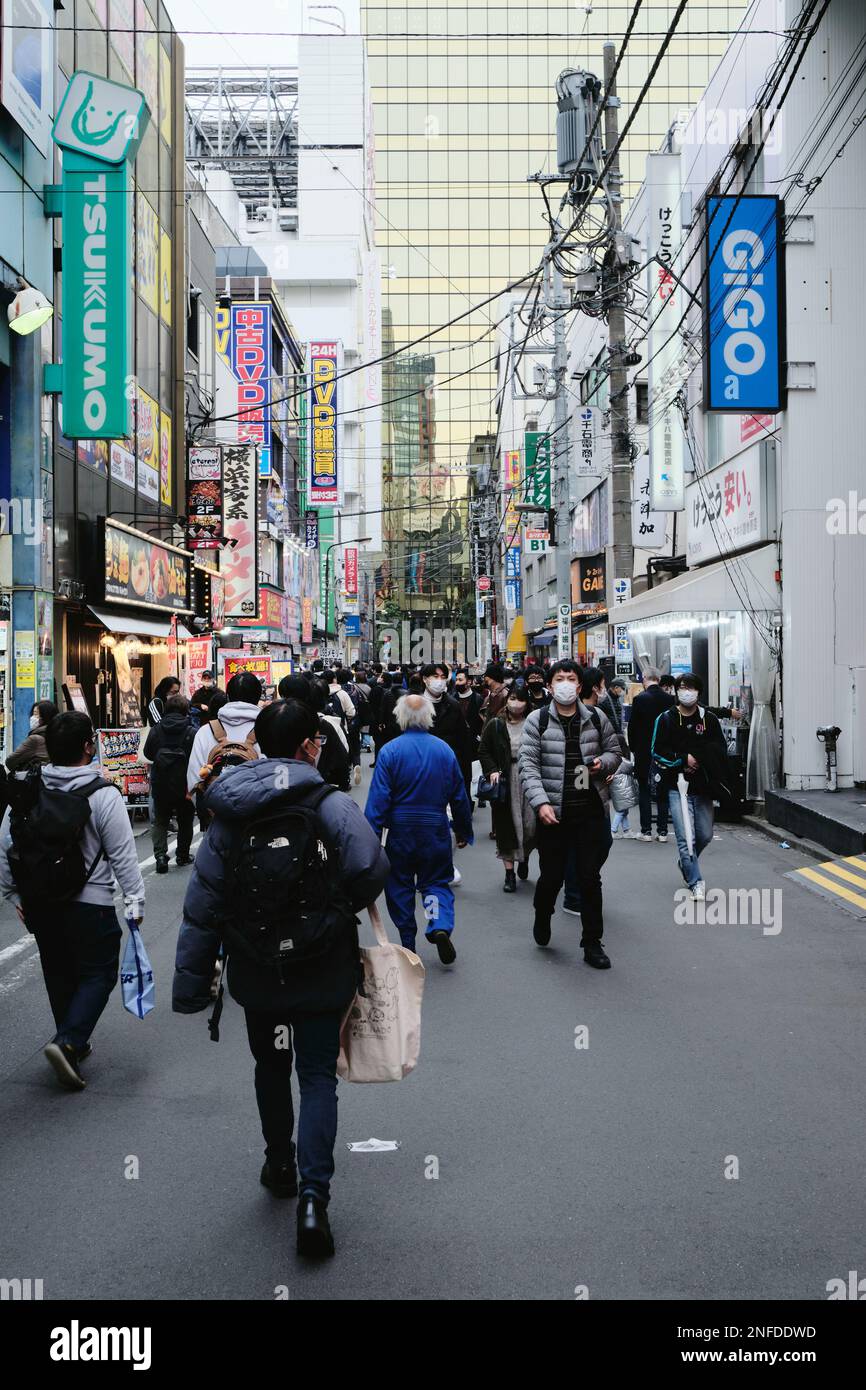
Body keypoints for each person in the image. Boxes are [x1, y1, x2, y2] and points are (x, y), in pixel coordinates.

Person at [174, 699, 389, 1258]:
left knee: (271, 1063)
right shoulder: (328, 803)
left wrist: (192, 983)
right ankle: (315, 1199)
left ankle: (279, 1163)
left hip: (258, 966)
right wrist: (334, 908)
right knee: (318, 1074)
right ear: (308, 746)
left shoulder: (231, 812)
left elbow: (203, 904)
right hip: (320, 965)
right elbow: (369, 865)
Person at [0, 712, 145, 1091]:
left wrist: (14, 893)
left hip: (40, 903)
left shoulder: (29, 788)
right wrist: (135, 900)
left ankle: (72, 1040)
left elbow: (5, 842)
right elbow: (122, 855)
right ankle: (68, 1041)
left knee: (58, 971)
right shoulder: (102, 794)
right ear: (88, 746)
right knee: (98, 973)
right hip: (91, 903)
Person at [518, 660, 621, 968]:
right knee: (552, 877)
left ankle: (592, 942)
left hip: (589, 809)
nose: (564, 683)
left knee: (590, 878)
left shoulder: (596, 717)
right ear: (550, 686)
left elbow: (616, 753)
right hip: (554, 814)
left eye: (570, 678)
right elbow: (528, 767)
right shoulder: (537, 721)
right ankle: (542, 914)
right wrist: (541, 803)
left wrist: (602, 763)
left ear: (579, 686)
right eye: (559, 678)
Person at [365, 694, 473, 964]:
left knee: (399, 884)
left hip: (400, 831)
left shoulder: (390, 751)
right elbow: (459, 795)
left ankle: (407, 940)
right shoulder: (444, 751)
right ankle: (438, 925)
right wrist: (462, 829)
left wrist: (370, 840)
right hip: (435, 827)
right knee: (436, 881)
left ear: (399, 716)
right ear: (429, 716)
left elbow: (377, 801)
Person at [650, 672, 729, 901]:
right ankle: (695, 881)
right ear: (675, 690)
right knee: (685, 838)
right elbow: (656, 750)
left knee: (704, 835)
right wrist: (682, 760)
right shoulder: (665, 719)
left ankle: (685, 862)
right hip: (677, 787)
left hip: (703, 787)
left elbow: (719, 749)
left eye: (691, 687)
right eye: (682, 687)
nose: (686, 691)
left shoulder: (709, 719)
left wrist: (700, 760)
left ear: (699, 692)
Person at [479, 683, 536, 891]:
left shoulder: (534, 723)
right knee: (506, 826)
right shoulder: (496, 724)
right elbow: (483, 750)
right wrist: (492, 770)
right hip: (504, 780)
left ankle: (525, 856)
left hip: (529, 778)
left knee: (530, 824)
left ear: (527, 702)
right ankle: (509, 874)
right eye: (512, 698)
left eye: (520, 699)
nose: (516, 703)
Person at [143, 694, 196, 873]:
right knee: (186, 820)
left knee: (160, 821)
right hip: (184, 785)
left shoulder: (156, 730)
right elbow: (197, 758)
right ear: (185, 710)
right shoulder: (191, 731)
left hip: (161, 783)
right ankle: (182, 855)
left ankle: (160, 856)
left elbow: (149, 754)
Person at [186, 670, 262, 795]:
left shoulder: (205, 731)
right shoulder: (266, 730)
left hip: (214, 809)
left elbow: (194, 779)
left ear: (228, 697)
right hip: (255, 810)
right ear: (258, 697)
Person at [627, 666, 676, 843]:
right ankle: (662, 832)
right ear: (659, 679)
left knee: (644, 790)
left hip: (643, 751)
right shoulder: (670, 699)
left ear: (645, 679)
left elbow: (632, 727)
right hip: (664, 752)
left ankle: (646, 831)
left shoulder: (640, 699)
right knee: (663, 790)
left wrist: (633, 748)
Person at [279, 675, 351, 792]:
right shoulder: (321, 724)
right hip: (316, 790)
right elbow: (341, 761)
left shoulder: (274, 722)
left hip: (282, 788)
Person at [421, 662, 474, 805]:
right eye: (435, 676)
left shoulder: (453, 705)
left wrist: (465, 777)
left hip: (448, 767)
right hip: (421, 768)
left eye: (443, 677)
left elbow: (463, 742)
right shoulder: (414, 705)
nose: (439, 680)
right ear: (425, 679)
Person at [6, 700, 59, 772]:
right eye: (33, 714)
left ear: (45, 716)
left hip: (38, 780)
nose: (33, 717)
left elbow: (10, 761)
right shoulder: (60, 733)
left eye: (36, 714)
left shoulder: (35, 739)